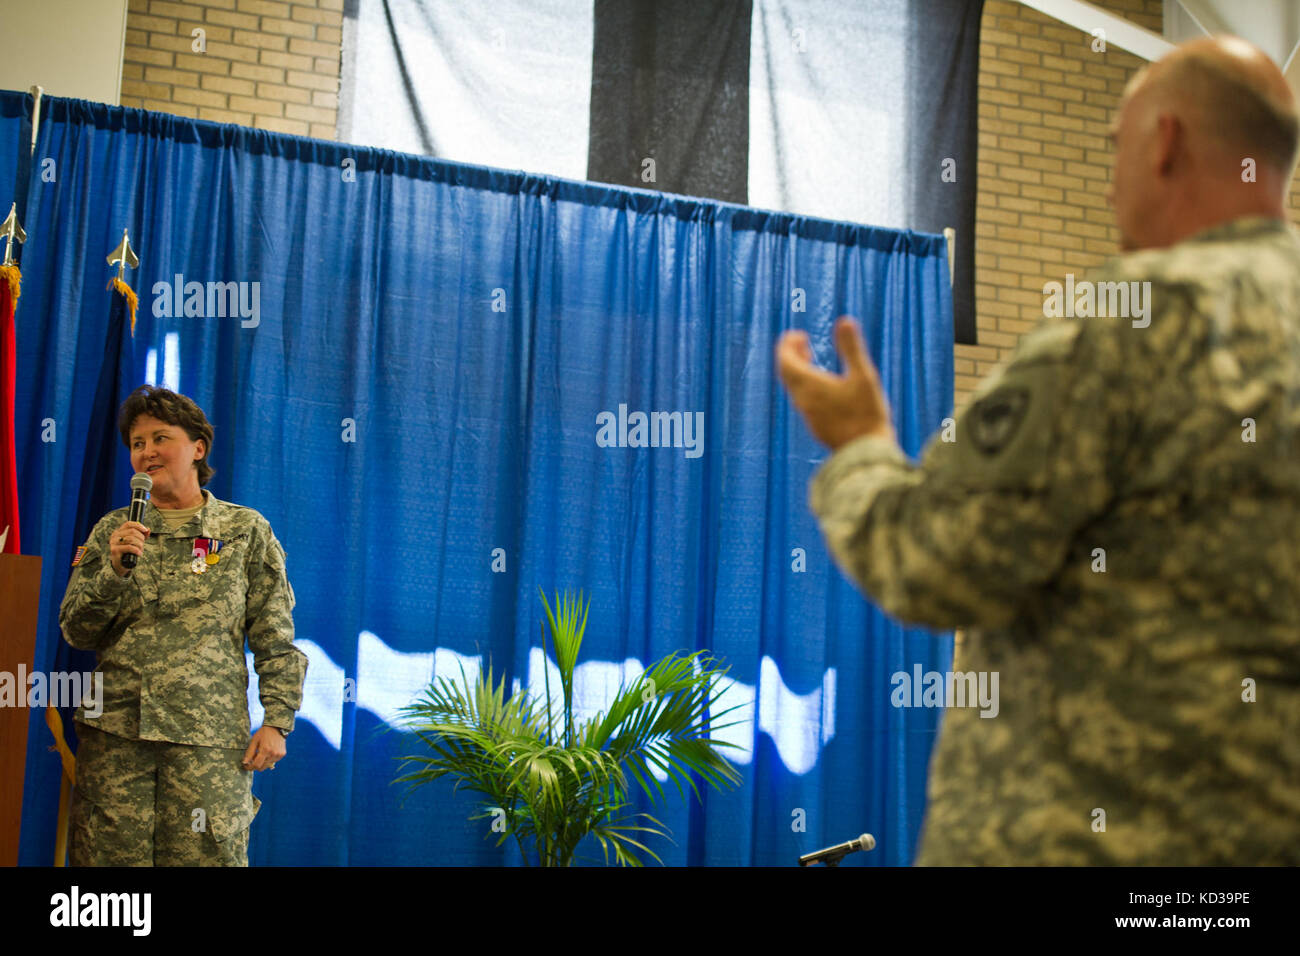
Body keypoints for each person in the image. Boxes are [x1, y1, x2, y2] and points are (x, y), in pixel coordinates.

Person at [775, 35, 1300, 864]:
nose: (1106, 180)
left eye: (1113, 150)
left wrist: (859, 448)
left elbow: (936, 561)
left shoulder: (1130, 324)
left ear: (1164, 143)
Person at [59, 385, 308, 866]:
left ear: (198, 447)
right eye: (136, 443)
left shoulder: (244, 532)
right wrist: (113, 573)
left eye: (160, 438)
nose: (147, 452)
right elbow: (77, 630)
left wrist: (277, 721)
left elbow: (275, 638)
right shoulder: (112, 532)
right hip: (116, 744)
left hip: (206, 748)